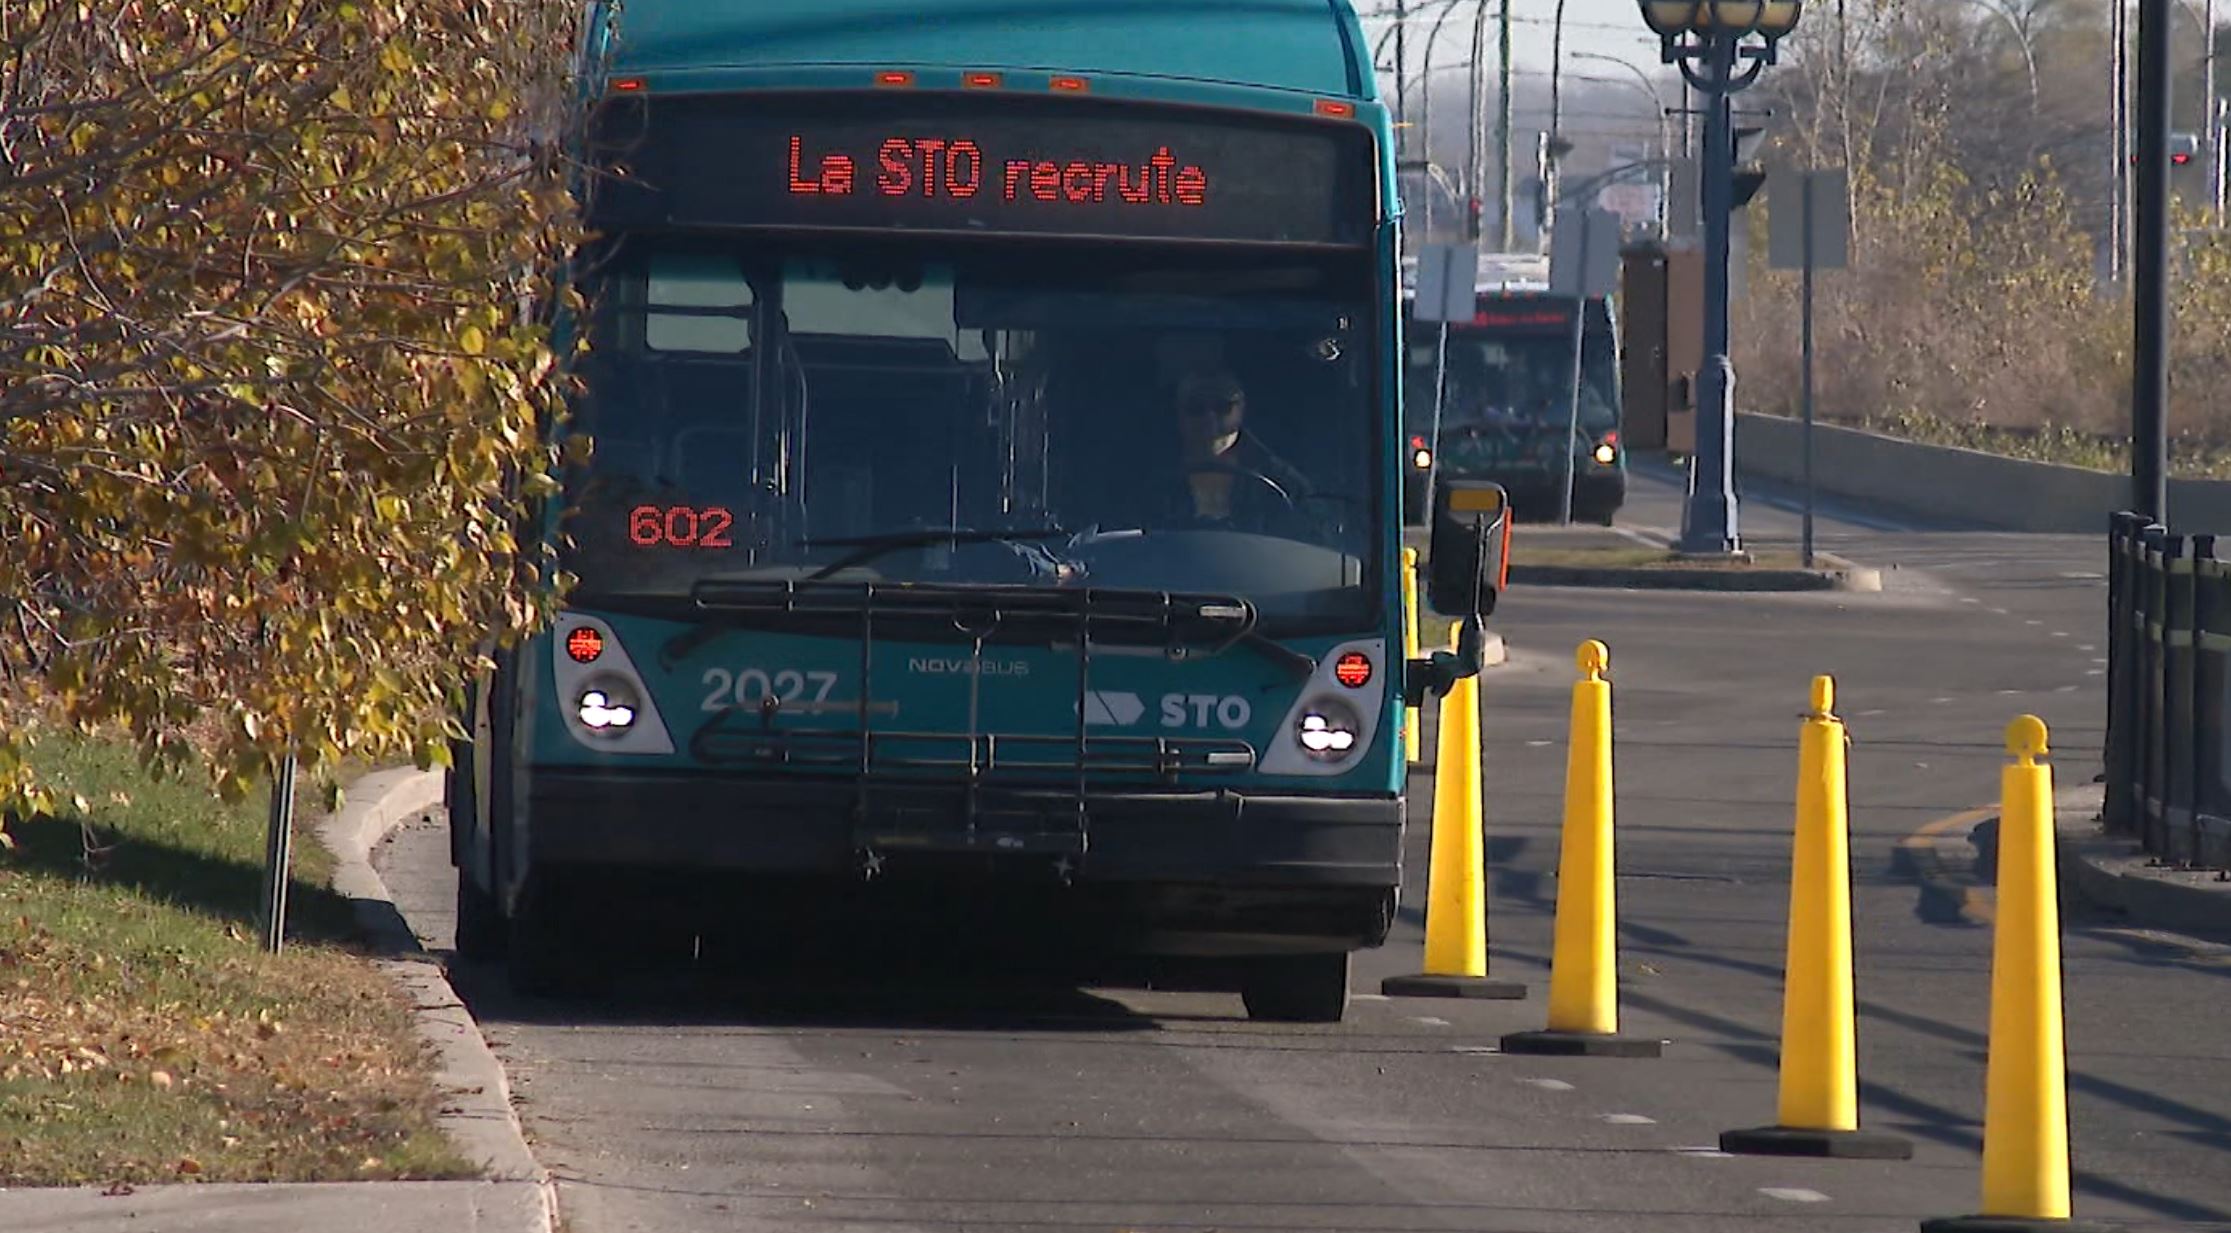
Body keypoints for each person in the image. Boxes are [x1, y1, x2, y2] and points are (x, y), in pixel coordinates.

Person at [1164, 369, 1314, 526]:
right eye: (1196, 407)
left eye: (1222, 406)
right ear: (1179, 412)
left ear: (1241, 409)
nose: (1210, 416)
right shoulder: (1153, 474)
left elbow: (1314, 535)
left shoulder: (1282, 479)